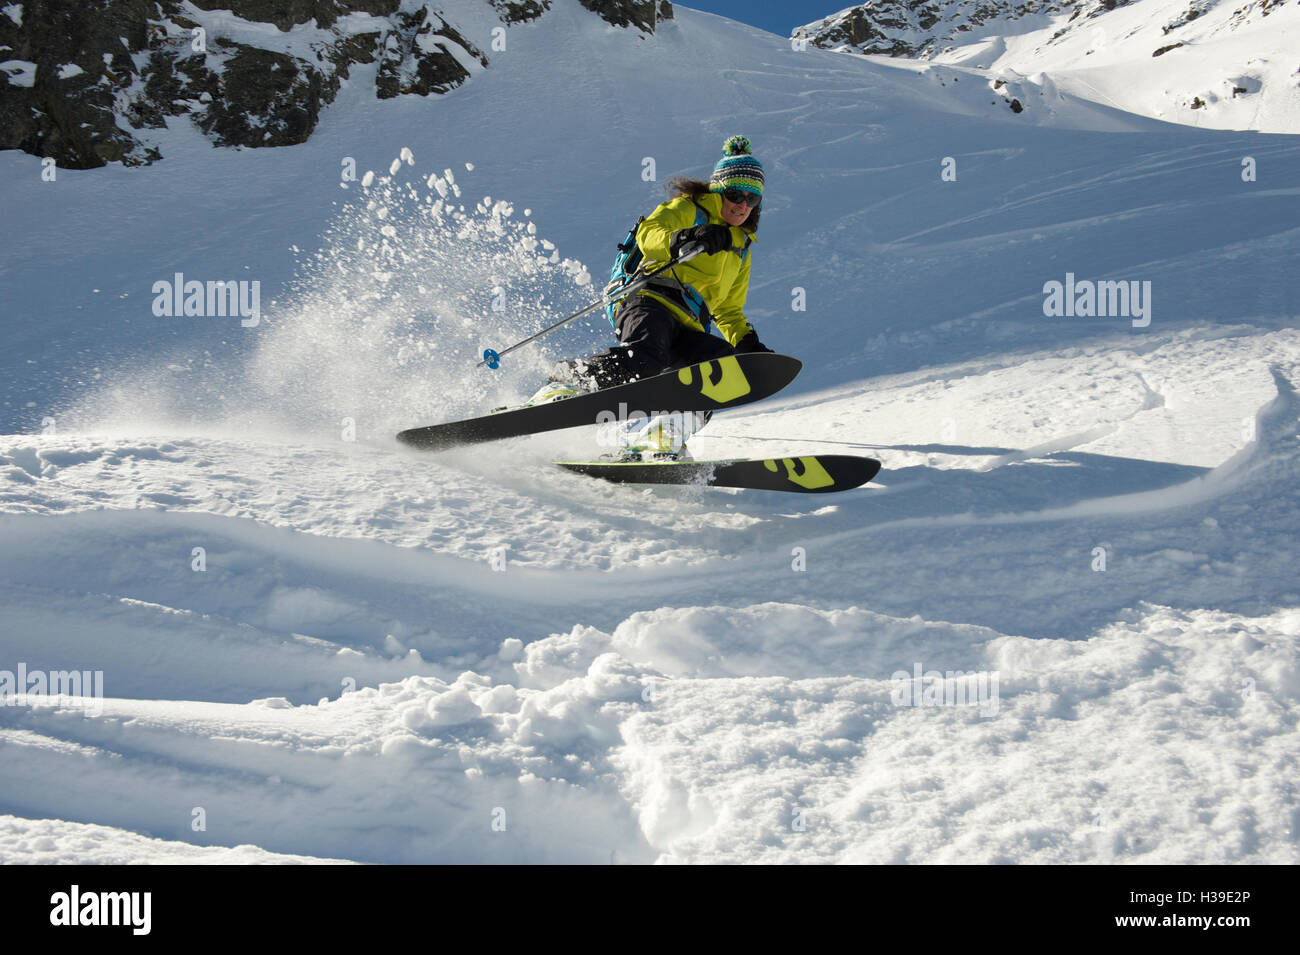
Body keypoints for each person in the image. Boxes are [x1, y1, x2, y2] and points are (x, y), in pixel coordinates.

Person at [528, 135, 773, 460]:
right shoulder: (690, 210)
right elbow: (649, 233)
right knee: (645, 359)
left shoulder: (740, 247)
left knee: (719, 371)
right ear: (718, 190)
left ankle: (662, 435)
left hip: (689, 325)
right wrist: (686, 236)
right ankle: (565, 383)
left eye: (752, 198)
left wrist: (747, 343)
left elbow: (727, 309)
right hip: (649, 299)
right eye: (735, 194)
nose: (742, 204)